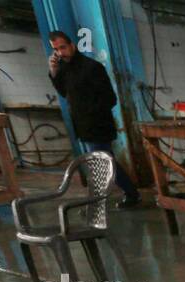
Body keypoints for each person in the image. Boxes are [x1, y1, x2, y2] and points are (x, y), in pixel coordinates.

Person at [47, 30, 140, 207]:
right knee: (104, 162)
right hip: (82, 125)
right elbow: (63, 92)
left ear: (72, 45)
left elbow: (110, 99)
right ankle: (126, 194)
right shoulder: (65, 69)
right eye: (56, 49)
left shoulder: (92, 67)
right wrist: (54, 71)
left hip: (97, 124)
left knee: (104, 163)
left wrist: (90, 113)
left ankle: (123, 195)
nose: (60, 52)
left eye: (63, 47)